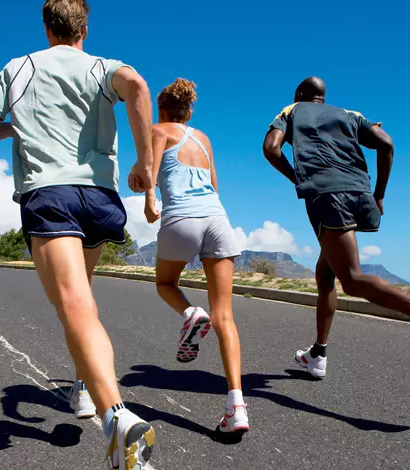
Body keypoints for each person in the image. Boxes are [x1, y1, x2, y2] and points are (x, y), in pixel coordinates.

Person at [0, 1, 156, 468]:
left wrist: (17, 129)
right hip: (98, 196)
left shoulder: (21, 67)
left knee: (73, 304)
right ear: (85, 29)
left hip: (49, 193)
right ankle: (81, 389)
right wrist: (145, 163)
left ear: (47, 27)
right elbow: (137, 85)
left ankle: (116, 414)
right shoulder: (102, 67)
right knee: (83, 301)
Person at [262, 77, 410, 378]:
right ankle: (318, 353)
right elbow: (386, 144)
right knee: (325, 272)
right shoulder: (350, 114)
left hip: (327, 196)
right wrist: (379, 194)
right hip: (360, 195)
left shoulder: (292, 110)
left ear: (301, 94)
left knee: (352, 279)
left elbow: (270, 149)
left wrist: (299, 179)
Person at [144, 79, 249, 435]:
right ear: (189, 111)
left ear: (162, 109)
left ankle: (190, 312)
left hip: (181, 219)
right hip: (218, 220)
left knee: (164, 282)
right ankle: (237, 405)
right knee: (226, 317)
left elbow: (149, 174)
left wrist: (149, 203)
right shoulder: (203, 139)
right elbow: (215, 186)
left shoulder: (157, 130)